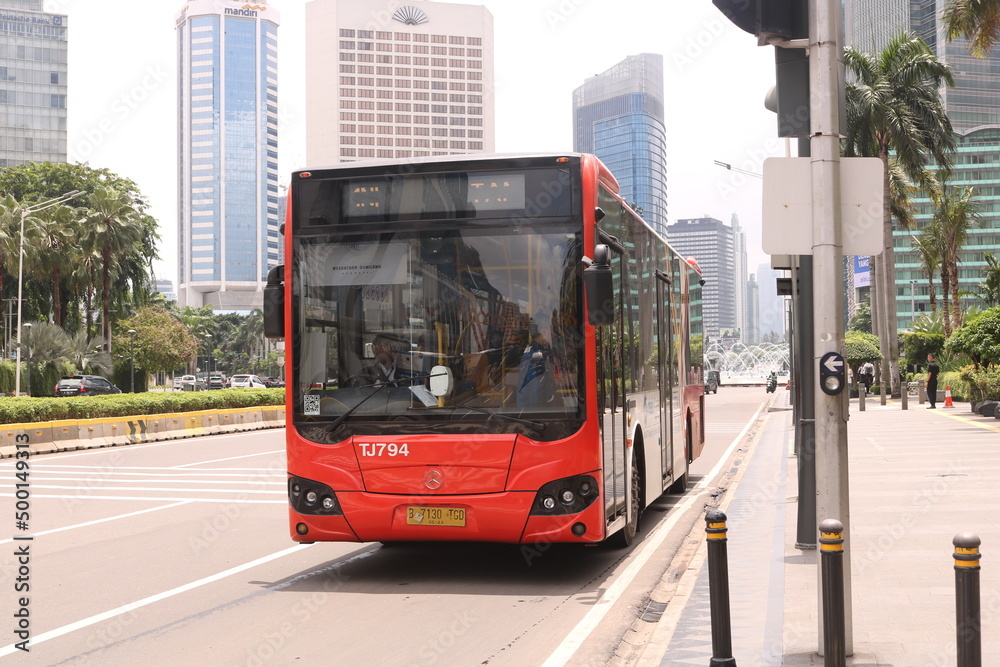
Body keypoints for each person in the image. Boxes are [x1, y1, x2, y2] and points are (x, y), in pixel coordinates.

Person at [517, 326, 556, 406]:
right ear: (543, 331)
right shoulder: (536, 356)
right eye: (550, 332)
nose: (552, 335)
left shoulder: (533, 351)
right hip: (533, 409)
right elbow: (535, 388)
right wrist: (536, 414)